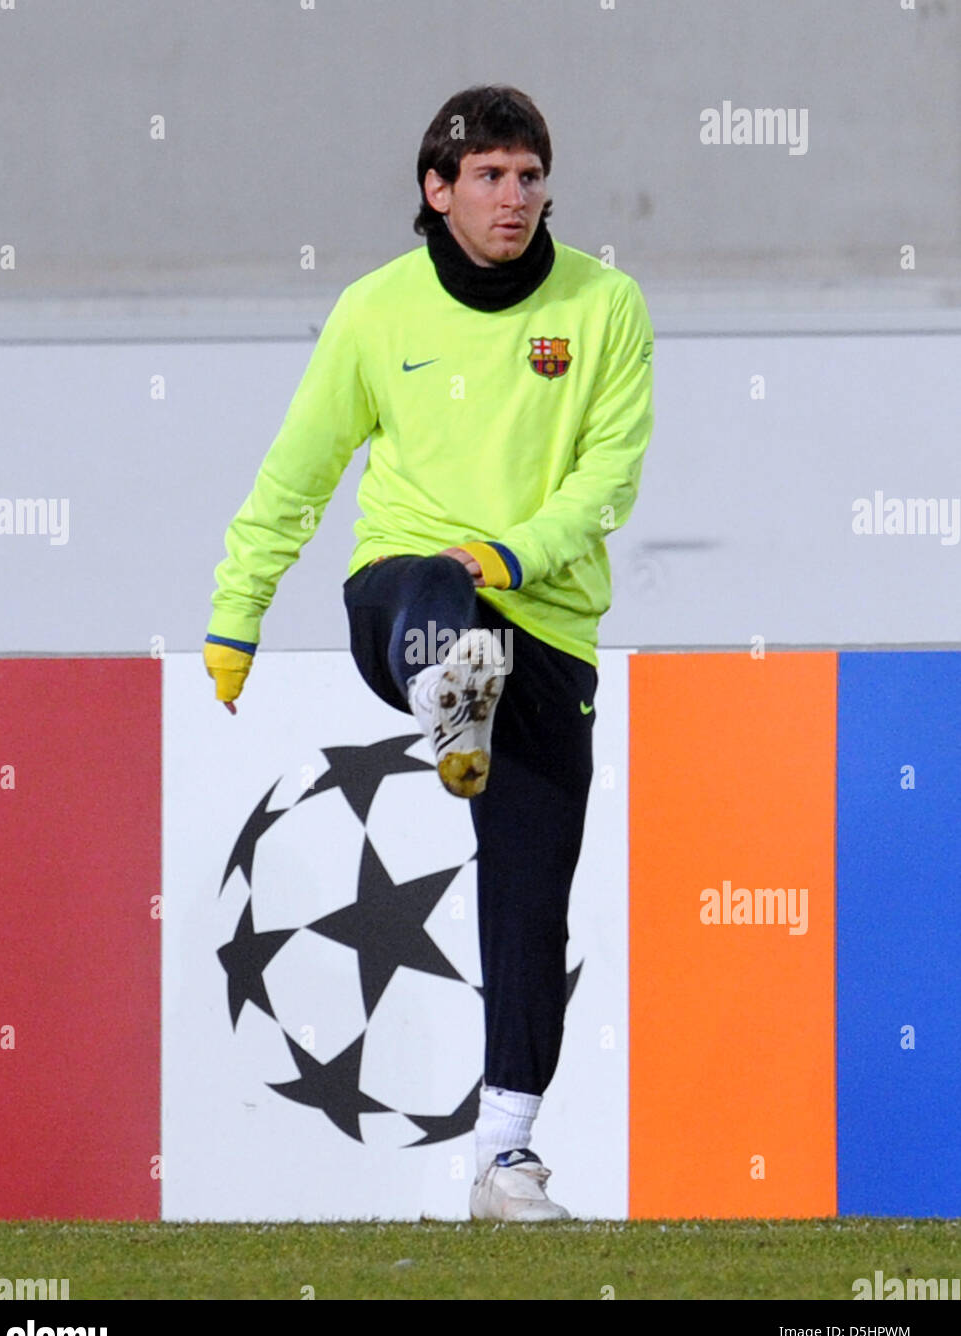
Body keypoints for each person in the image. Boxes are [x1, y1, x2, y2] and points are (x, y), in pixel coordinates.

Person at [204, 84, 654, 1220]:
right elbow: (297, 473)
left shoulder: (607, 306)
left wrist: (510, 554)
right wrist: (235, 609)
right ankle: (448, 685)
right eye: (490, 175)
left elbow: (608, 485)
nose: (515, 196)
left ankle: (506, 1159)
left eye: (531, 175)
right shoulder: (375, 311)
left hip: (544, 620)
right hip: (403, 596)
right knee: (434, 587)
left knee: (528, 894)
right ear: (436, 189)